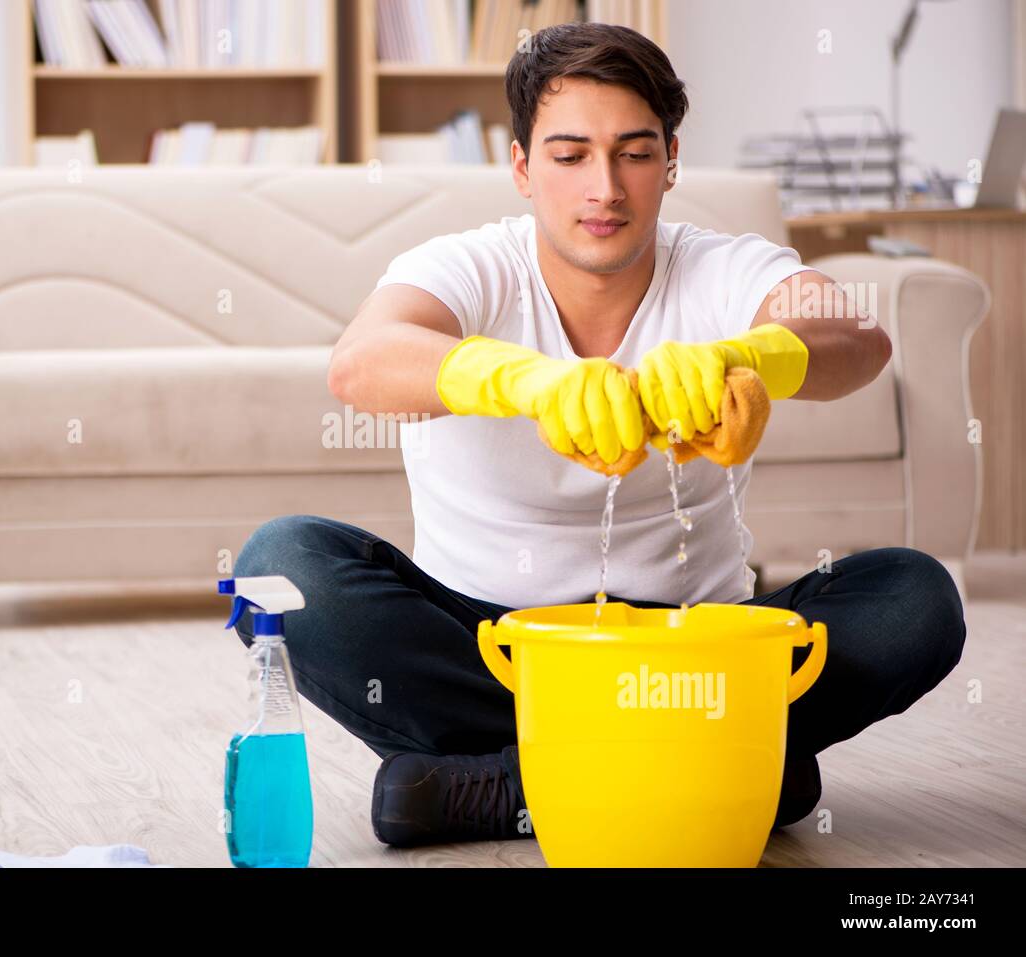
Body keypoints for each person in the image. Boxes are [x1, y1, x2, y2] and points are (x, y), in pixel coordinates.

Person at [232, 21, 966, 849]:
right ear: (521, 167)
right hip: (496, 652)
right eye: (570, 154)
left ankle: (507, 785)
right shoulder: (468, 266)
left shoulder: (721, 267)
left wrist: (753, 356)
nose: (605, 188)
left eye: (635, 152)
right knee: (280, 564)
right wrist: (526, 380)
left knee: (916, 599)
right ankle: (719, 770)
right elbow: (360, 363)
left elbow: (858, 338)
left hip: (694, 656)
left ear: (672, 161)